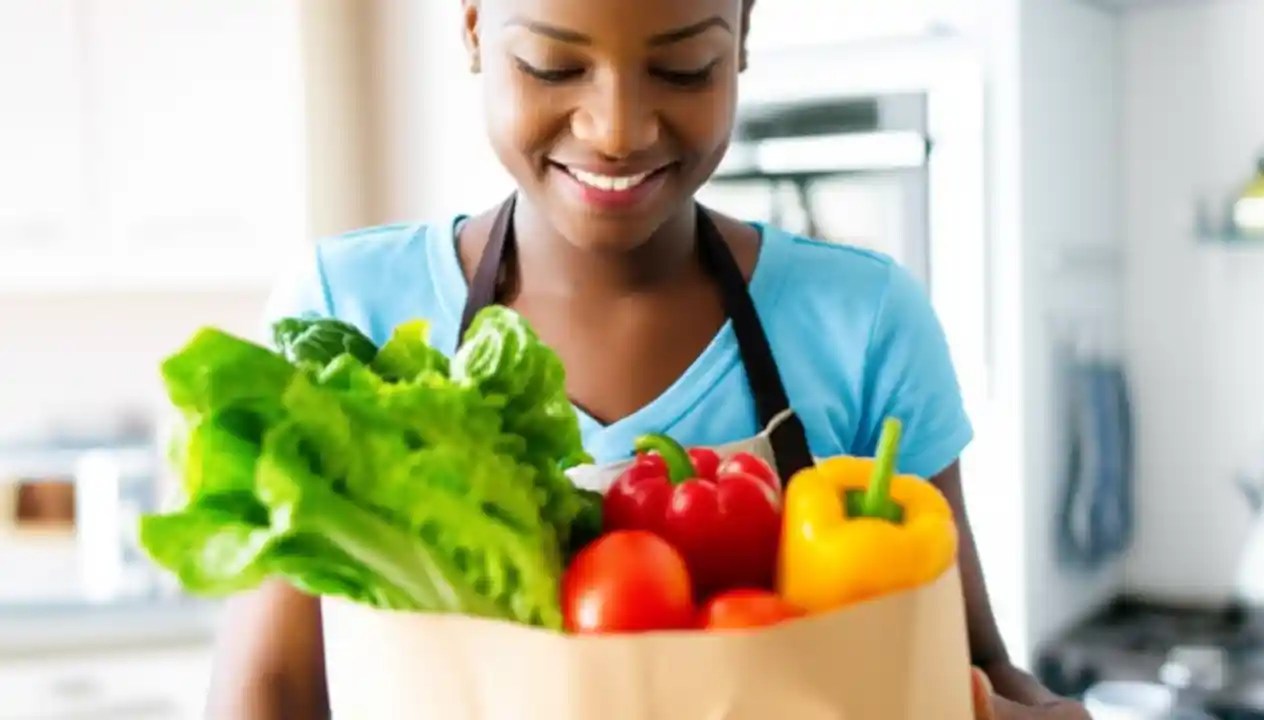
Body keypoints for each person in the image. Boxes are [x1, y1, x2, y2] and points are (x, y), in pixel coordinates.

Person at [210, 0, 1090, 718]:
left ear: (743, 33)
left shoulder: (866, 323)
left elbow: (963, 671)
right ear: (474, 26)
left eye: (682, 69)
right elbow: (273, 691)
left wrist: (1040, 711)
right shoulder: (344, 312)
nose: (618, 128)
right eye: (554, 67)